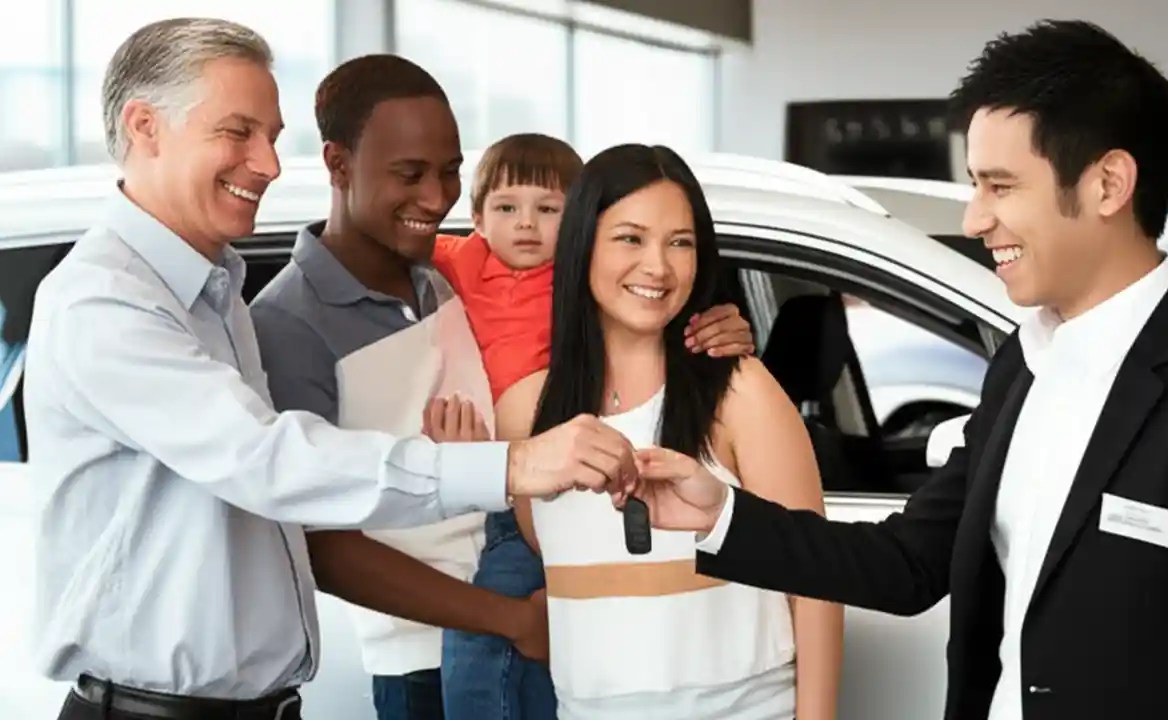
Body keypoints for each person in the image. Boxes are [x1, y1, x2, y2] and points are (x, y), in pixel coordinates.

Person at [633, 20, 1168, 720]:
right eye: (974, 185)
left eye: (1000, 187)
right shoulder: (1021, 370)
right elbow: (909, 562)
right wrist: (721, 514)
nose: (975, 219)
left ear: (1108, 184)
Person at [25, 20, 636, 720]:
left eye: (272, 137)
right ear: (145, 127)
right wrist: (511, 467)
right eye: (238, 132)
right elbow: (268, 463)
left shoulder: (218, 291)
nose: (270, 165)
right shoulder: (105, 301)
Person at [250, 61, 754, 720]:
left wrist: (712, 327)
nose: (436, 198)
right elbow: (317, 544)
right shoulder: (289, 324)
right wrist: (508, 615)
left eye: (450, 172)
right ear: (337, 165)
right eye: (410, 174)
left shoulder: (444, 275)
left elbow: (625, 311)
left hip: (549, 606)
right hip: (432, 653)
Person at [497, 143, 843, 719]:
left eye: (680, 242)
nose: (658, 266)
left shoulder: (738, 391)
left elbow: (817, 582)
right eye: (630, 238)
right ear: (583, 244)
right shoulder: (524, 412)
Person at [433, 132, 756, 720]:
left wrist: (725, 328)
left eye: (549, 210)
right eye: (506, 208)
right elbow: (388, 244)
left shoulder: (601, 284)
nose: (526, 225)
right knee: (484, 634)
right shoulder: (463, 263)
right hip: (502, 478)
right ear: (478, 217)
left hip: (565, 488)